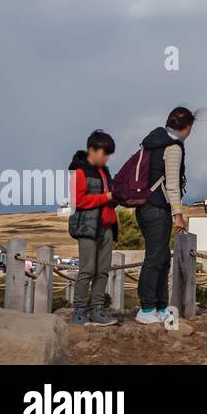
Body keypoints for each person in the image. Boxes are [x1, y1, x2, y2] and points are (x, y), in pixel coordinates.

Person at [135, 106, 195, 324]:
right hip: (158, 207)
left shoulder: (152, 141)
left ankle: (160, 307)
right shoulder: (173, 147)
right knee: (155, 258)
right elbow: (172, 184)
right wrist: (178, 214)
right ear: (186, 127)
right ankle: (146, 309)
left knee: (160, 257)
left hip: (144, 207)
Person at [68, 129, 120, 326]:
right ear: (92, 150)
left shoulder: (104, 171)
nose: (107, 158)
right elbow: (77, 200)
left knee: (103, 270)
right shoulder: (78, 171)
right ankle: (79, 310)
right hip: (88, 228)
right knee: (87, 270)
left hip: (106, 226)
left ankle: (98, 309)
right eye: (104, 153)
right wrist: (105, 197)